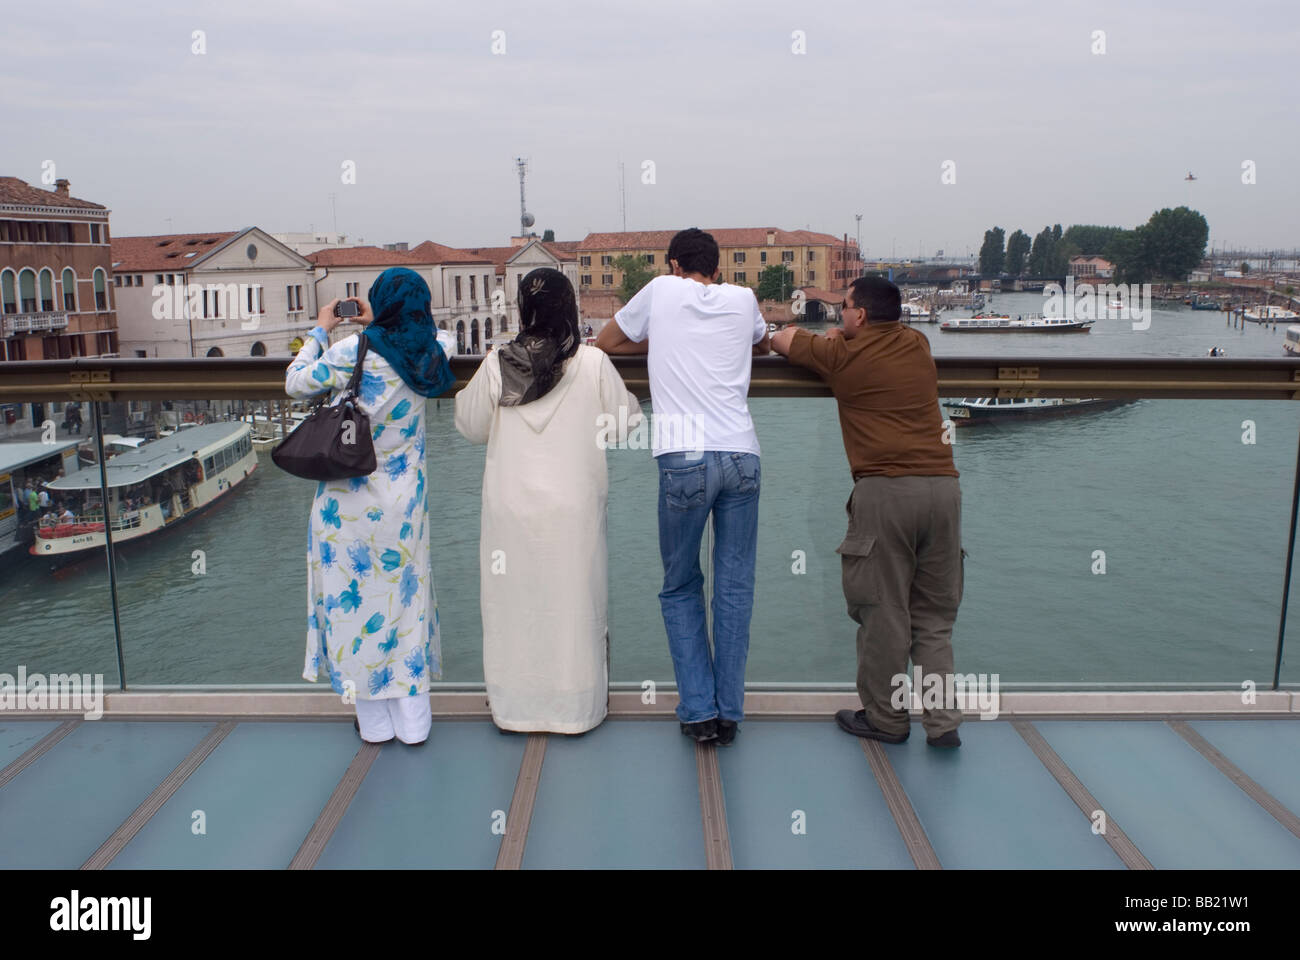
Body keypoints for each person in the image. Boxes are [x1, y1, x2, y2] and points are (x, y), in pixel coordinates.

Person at [771, 276, 964, 748]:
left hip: (886, 493)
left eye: (846, 308)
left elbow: (780, 338)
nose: (840, 314)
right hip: (944, 488)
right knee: (933, 620)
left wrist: (832, 337)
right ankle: (943, 725)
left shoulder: (841, 356)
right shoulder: (917, 343)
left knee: (884, 615)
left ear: (859, 315)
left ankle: (886, 719)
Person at [595, 228, 770, 746]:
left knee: (680, 584)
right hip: (742, 453)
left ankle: (698, 713)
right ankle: (730, 711)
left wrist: (660, 341)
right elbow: (761, 343)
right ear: (717, 269)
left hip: (684, 454)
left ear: (674, 264)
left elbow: (606, 342)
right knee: (734, 588)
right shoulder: (744, 299)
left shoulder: (661, 290)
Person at [455, 268, 641, 734]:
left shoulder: (498, 363)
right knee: (574, 604)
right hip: (573, 506)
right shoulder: (594, 363)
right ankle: (575, 710)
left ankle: (516, 707)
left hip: (510, 506)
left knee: (512, 604)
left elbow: (471, 426)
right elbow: (622, 425)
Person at [285, 266, 454, 746]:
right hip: (404, 512)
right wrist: (385, 319)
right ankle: (415, 724)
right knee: (405, 605)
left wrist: (323, 329)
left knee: (351, 609)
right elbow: (440, 333)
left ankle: (375, 726)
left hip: (347, 508)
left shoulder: (346, 353)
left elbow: (295, 382)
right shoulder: (429, 353)